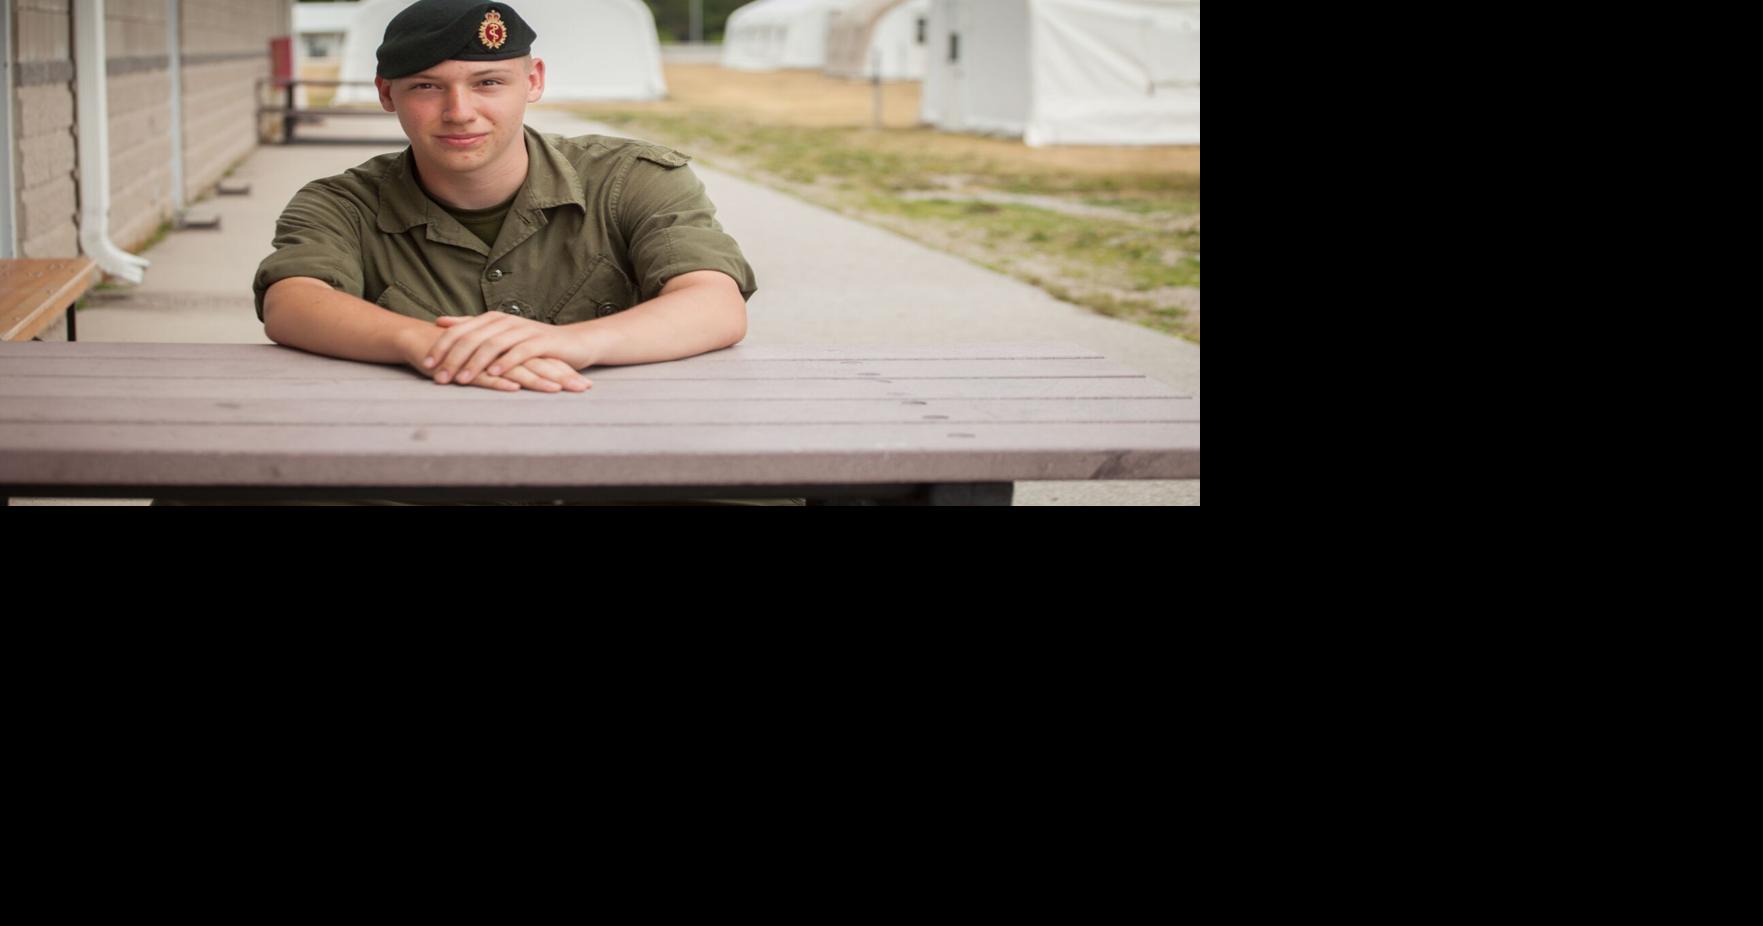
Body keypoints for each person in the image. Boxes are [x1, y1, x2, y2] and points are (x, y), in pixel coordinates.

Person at [155, 0, 796, 505]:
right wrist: (424, 344)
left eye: (488, 82)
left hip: (615, 460)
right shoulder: (341, 202)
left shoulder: (630, 179)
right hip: (417, 470)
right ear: (387, 94)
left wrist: (571, 343)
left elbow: (713, 302)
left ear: (532, 81)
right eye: (427, 87)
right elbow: (293, 301)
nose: (460, 111)